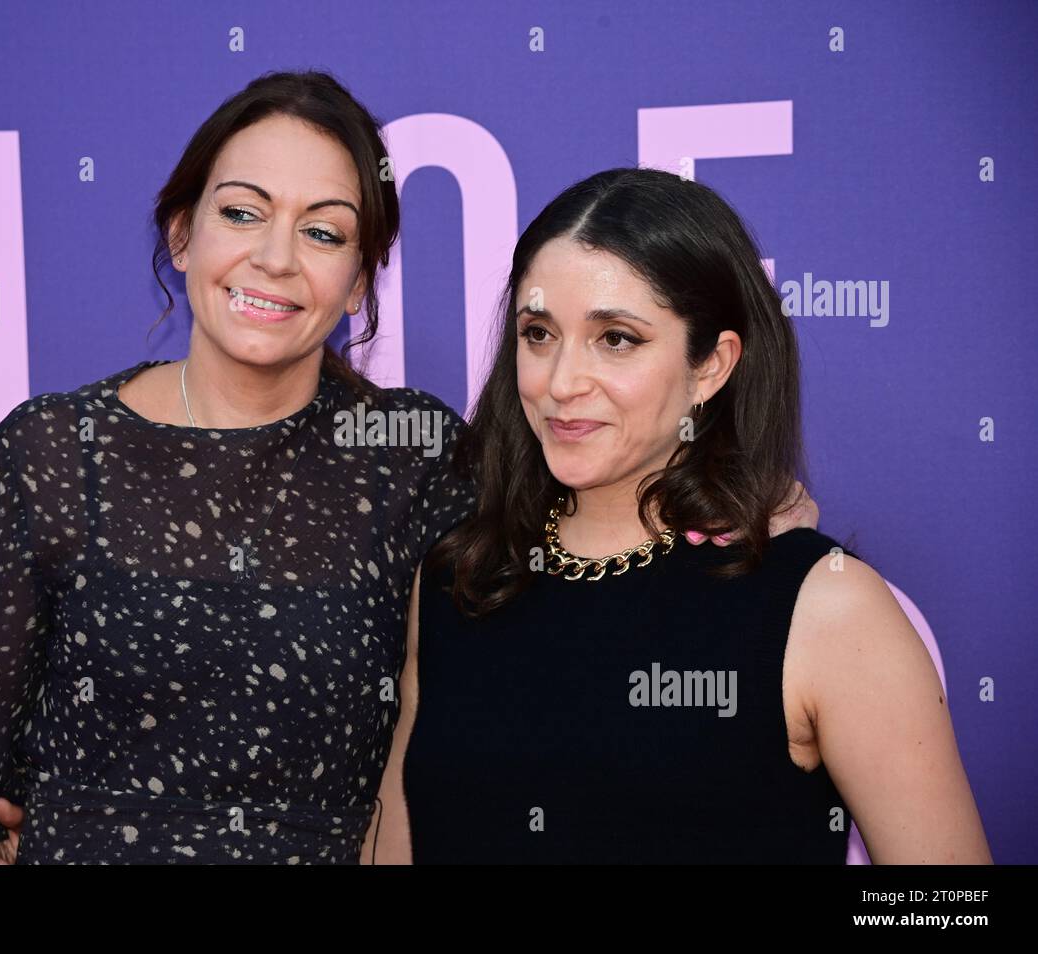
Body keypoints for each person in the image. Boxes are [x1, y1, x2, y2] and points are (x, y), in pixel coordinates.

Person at [0, 73, 816, 865]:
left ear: (363, 278)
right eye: (242, 212)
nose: (274, 256)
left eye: (324, 232)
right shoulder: (54, 449)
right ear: (182, 235)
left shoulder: (412, 455)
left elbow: (584, 564)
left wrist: (739, 547)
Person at [372, 168, 992, 864]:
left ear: (712, 366)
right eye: (539, 333)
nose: (562, 382)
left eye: (617, 339)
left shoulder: (825, 608)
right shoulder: (461, 579)